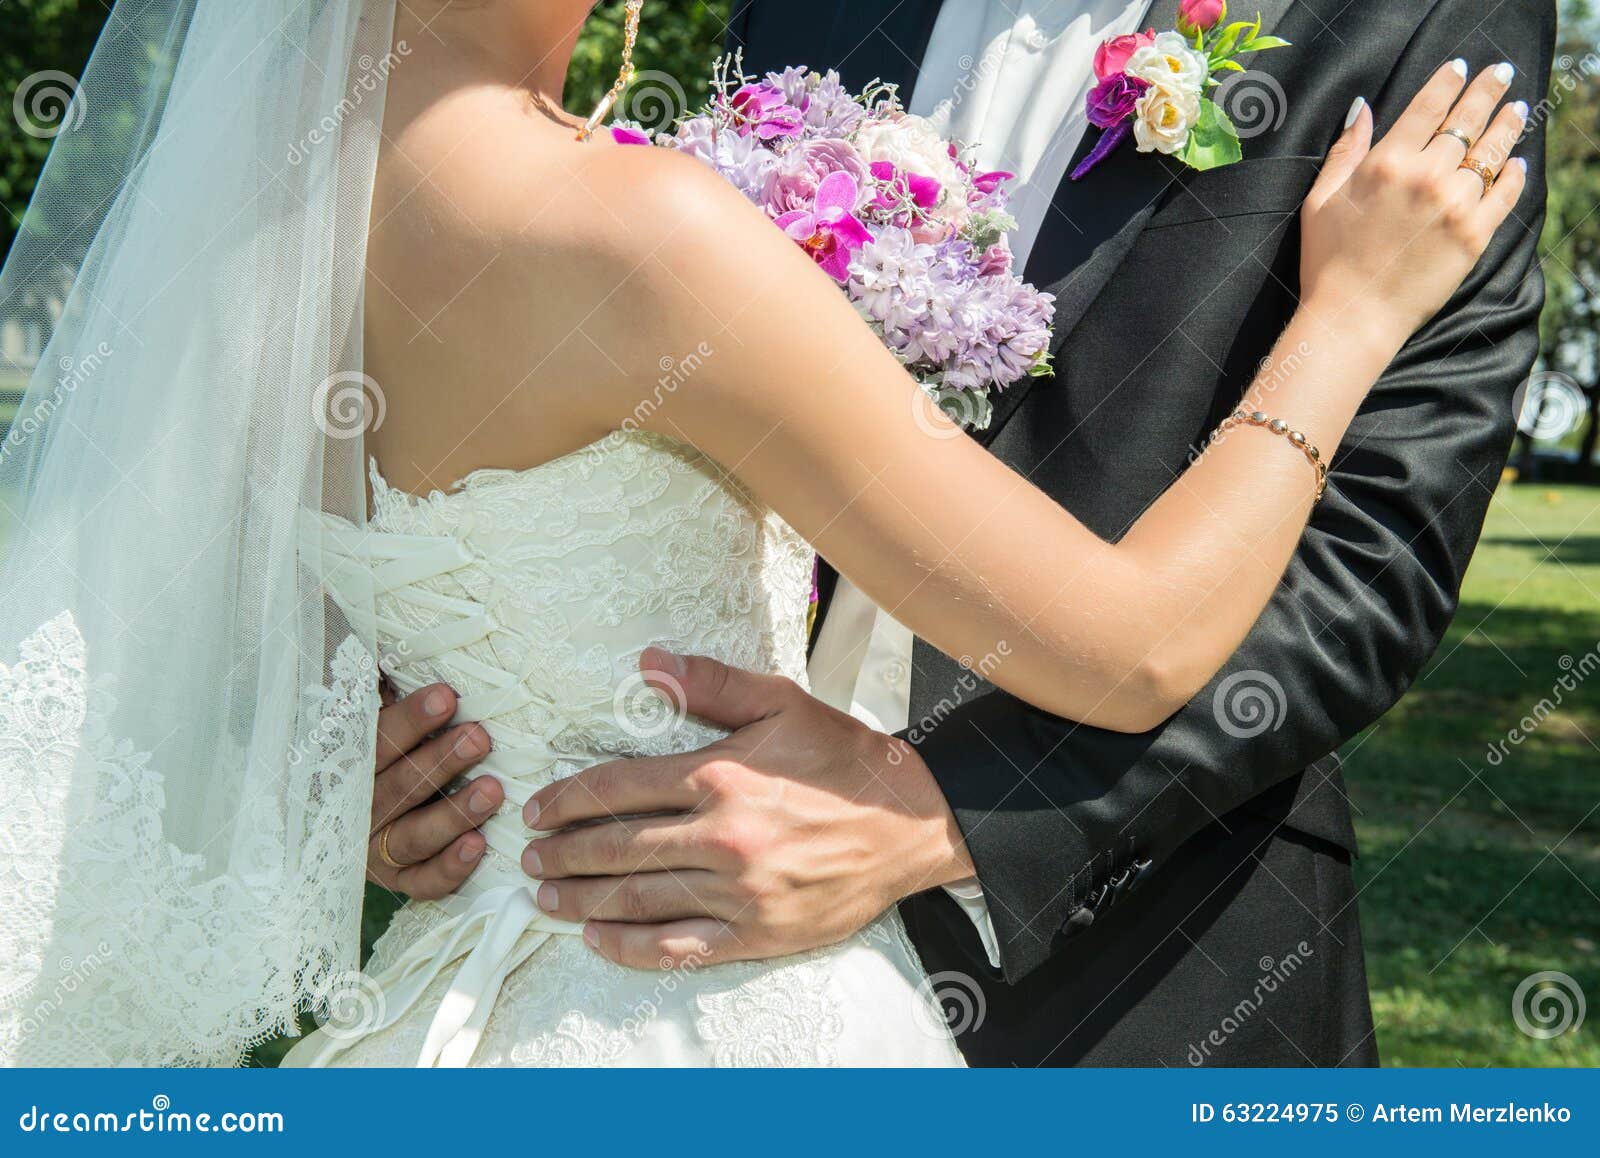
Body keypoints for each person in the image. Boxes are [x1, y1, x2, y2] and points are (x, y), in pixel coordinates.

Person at [332, 0, 1541, 1067]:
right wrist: (433, 743)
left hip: (1148, 972)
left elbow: (1375, 551)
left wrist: (939, 812)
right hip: (637, 920)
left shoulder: (1432, 15)